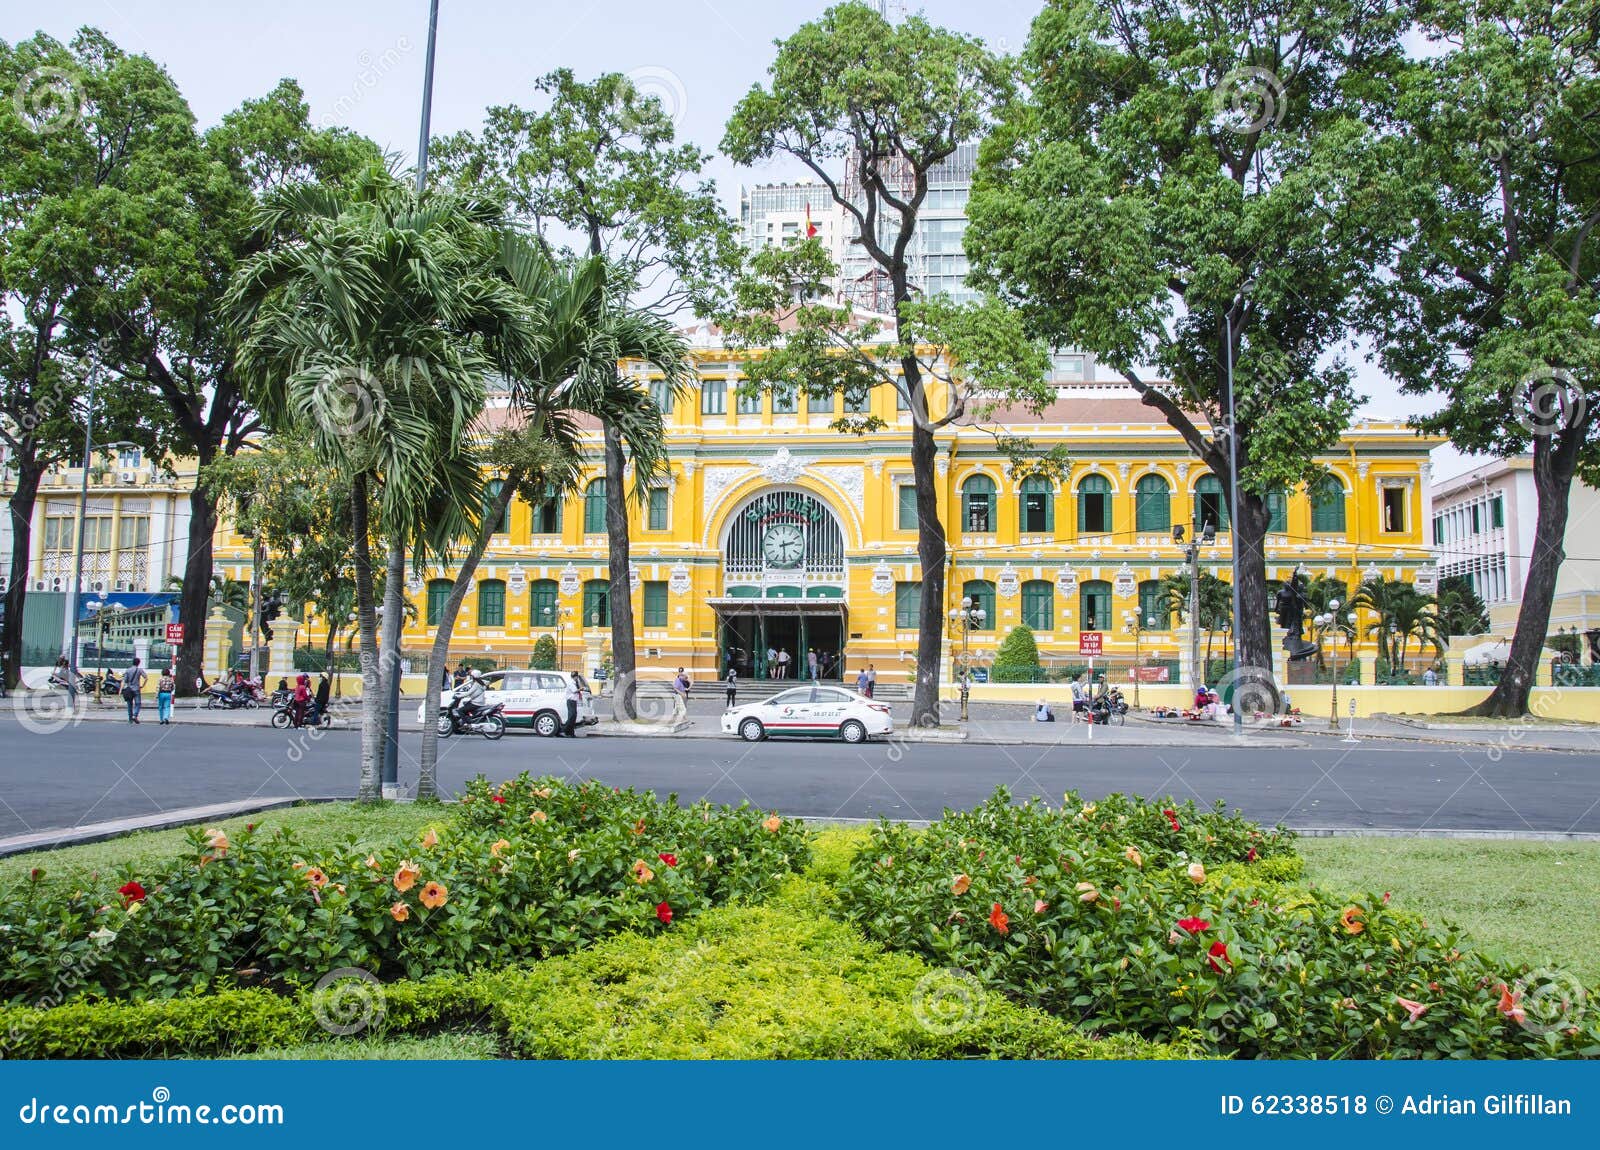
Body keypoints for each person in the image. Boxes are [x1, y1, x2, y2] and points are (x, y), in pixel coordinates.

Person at [120, 658, 147, 724]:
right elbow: (146, 678)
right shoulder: (139, 670)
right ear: (138, 663)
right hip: (136, 689)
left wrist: (121, 689)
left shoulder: (128, 670)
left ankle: (130, 719)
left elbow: (124, 681)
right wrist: (142, 685)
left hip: (129, 689)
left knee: (129, 704)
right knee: (138, 703)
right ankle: (135, 715)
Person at [562, 671, 582, 737]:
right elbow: (574, 691)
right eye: (576, 677)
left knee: (573, 717)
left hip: (574, 701)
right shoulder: (571, 683)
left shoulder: (575, 682)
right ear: (575, 677)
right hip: (571, 701)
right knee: (571, 717)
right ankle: (564, 730)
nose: (577, 678)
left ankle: (570, 732)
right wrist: (581, 689)